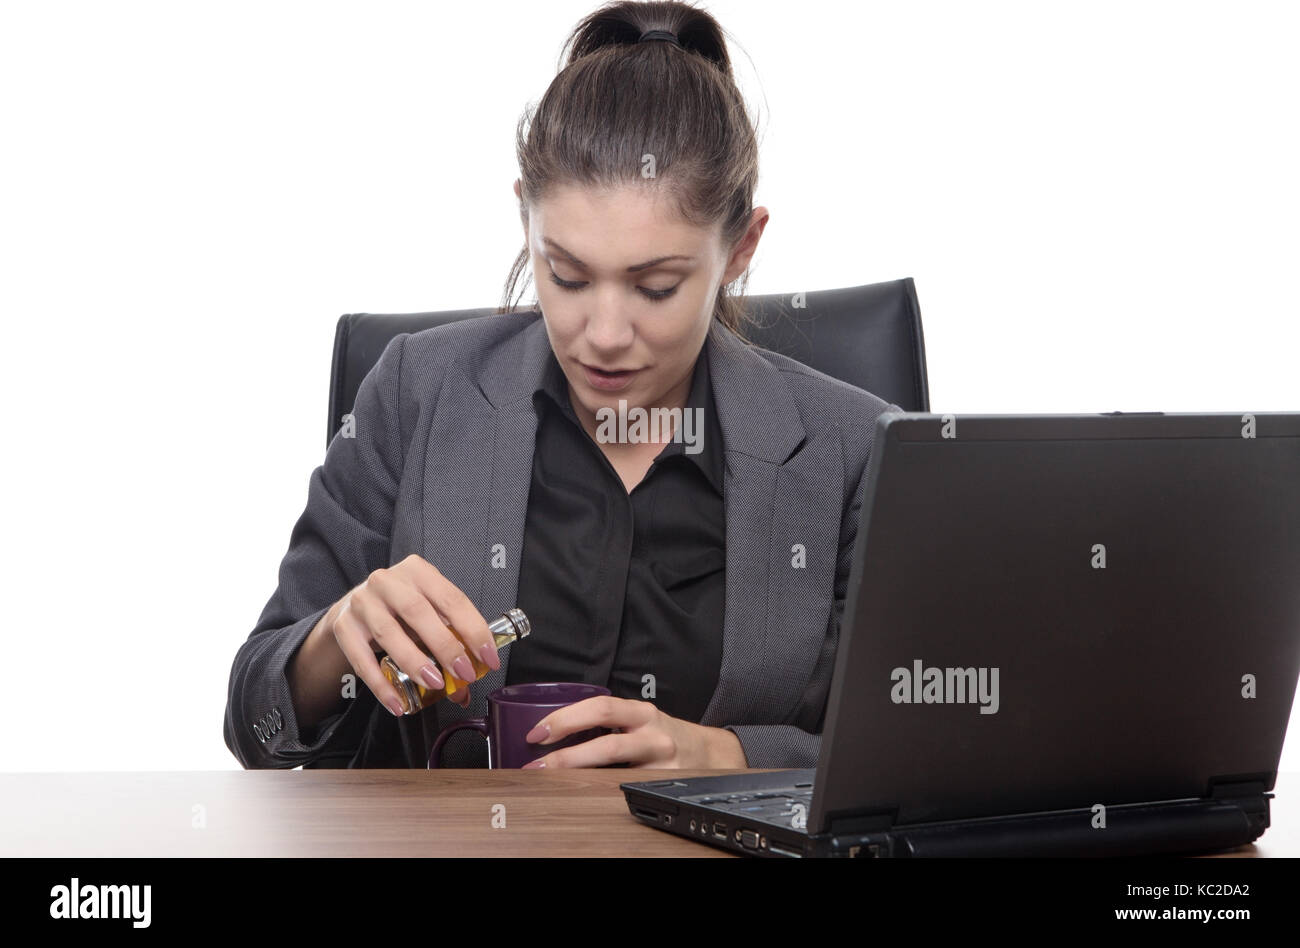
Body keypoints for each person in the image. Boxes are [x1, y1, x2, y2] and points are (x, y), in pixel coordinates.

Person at [223, 0, 901, 770]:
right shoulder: (416, 393)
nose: (603, 334)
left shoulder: (853, 452)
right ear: (526, 221)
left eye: (656, 287)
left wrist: (725, 755)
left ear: (741, 247)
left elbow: (920, 755)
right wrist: (335, 636)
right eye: (568, 275)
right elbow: (254, 726)